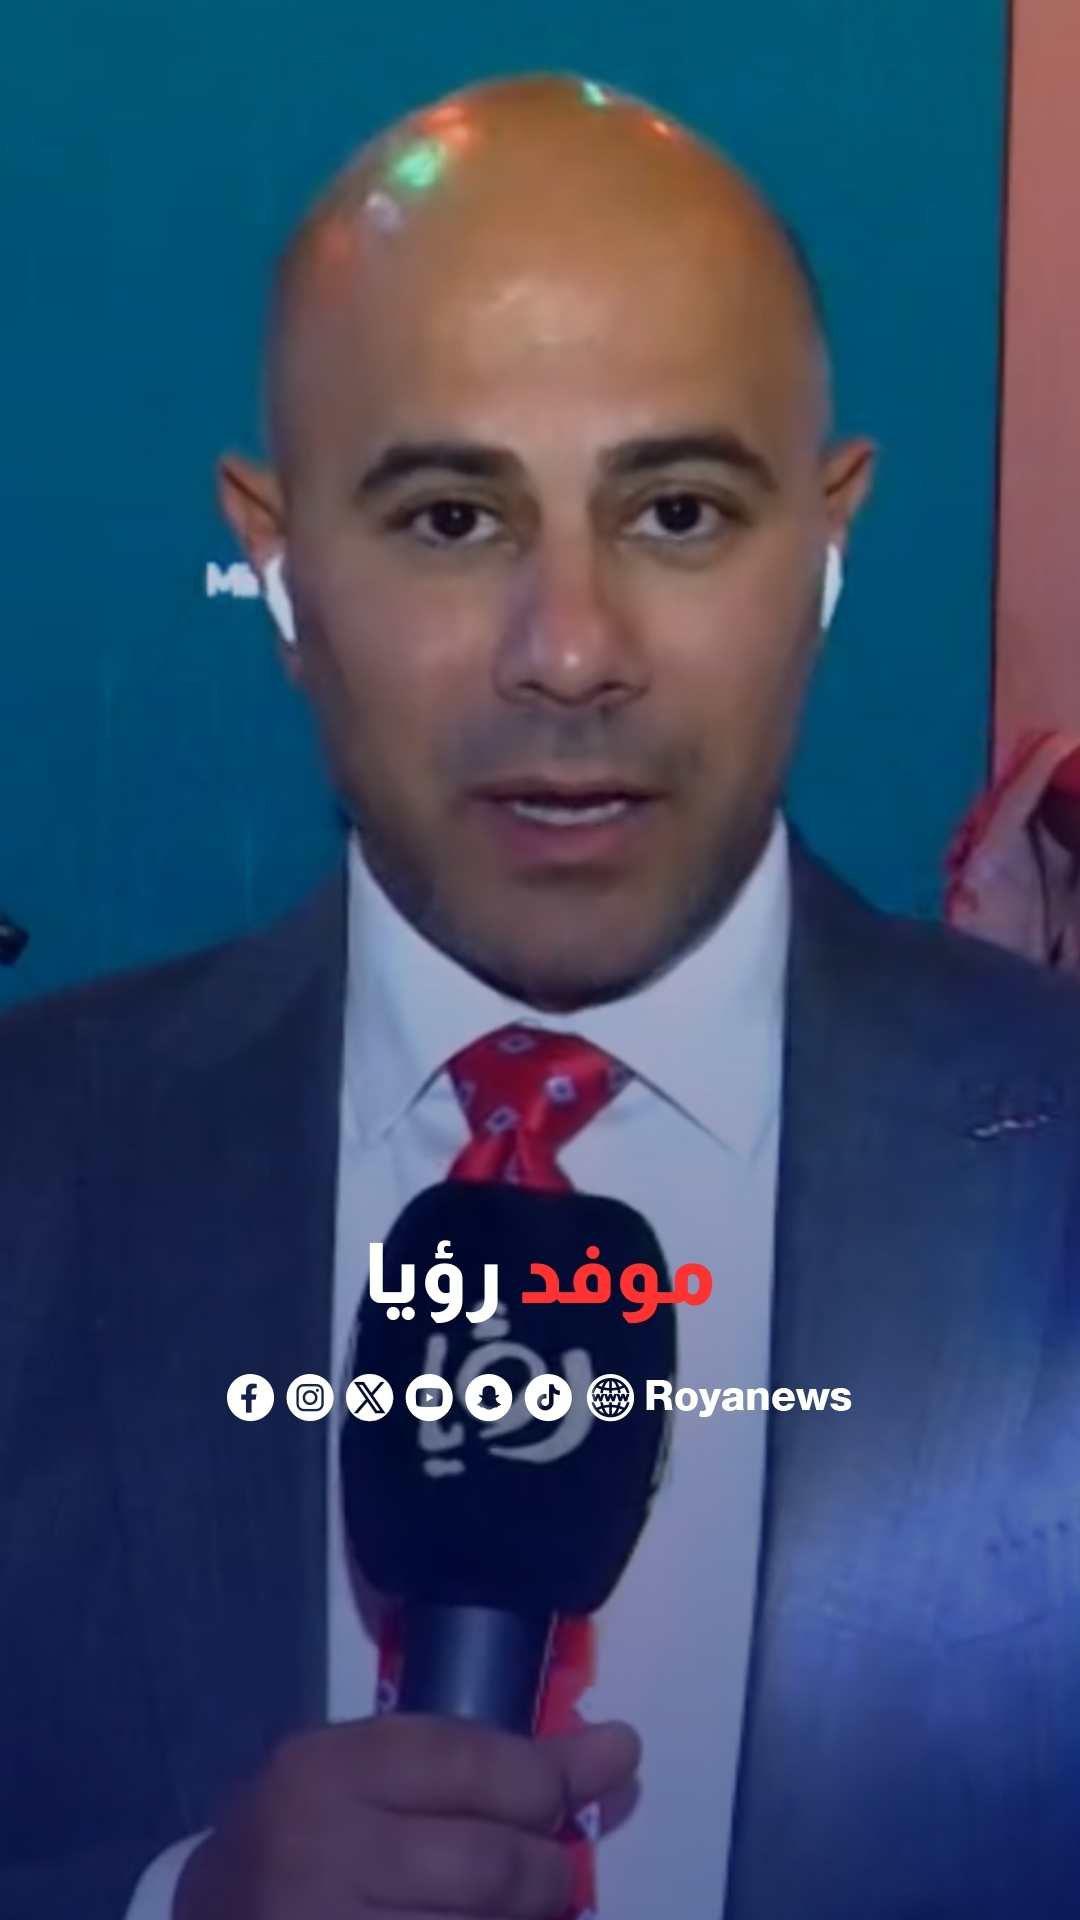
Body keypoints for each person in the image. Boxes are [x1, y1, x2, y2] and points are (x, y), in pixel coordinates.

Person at [3, 72, 1080, 1920]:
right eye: (448, 519)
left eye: (678, 510)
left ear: (829, 543)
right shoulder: (30, 1172)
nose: (571, 651)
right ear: (276, 559)